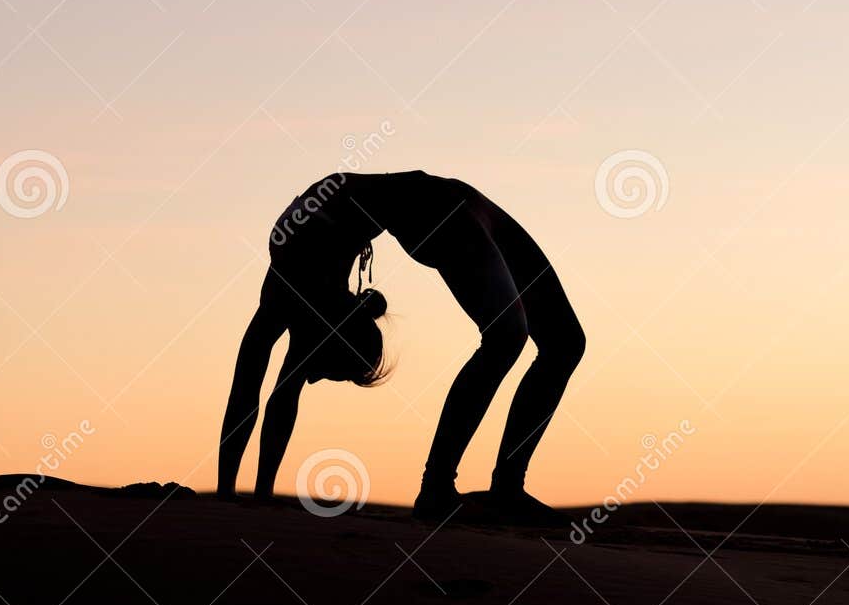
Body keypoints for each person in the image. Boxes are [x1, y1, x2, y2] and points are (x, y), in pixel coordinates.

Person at [217, 170, 585, 523]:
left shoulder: (294, 293)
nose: (311, 379)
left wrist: (232, 494)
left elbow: (254, 383)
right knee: (530, 340)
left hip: (444, 208)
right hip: (449, 200)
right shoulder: (320, 301)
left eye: (324, 372)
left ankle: (462, 488)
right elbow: (276, 387)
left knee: (557, 342)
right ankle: (470, 486)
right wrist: (255, 495)